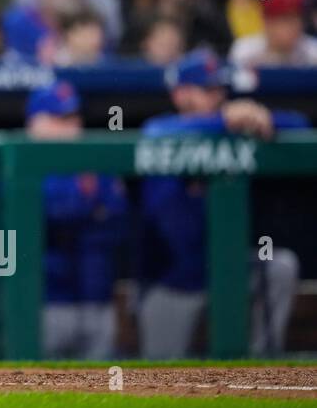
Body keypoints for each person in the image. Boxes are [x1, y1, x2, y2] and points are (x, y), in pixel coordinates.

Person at [138, 50, 307, 358]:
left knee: (280, 266)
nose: (216, 97)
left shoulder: (239, 130)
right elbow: (155, 134)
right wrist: (223, 121)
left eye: (220, 90)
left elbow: (299, 124)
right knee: (156, 380)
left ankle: (261, 369)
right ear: (180, 94)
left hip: (232, 268)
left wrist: (264, 118)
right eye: (207, 89)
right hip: (173, 280)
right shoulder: (164, 128)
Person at [27, 81, 127, 360]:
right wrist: (89, 209)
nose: (72, 127)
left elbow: (118, 224)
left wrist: (80, 212)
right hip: (44, 305)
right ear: (35, 123)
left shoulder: (98, 162)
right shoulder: (19, 167)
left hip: (97, 301)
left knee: (103, 396)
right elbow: (53, 219)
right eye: (60, 119)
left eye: (74, 118)